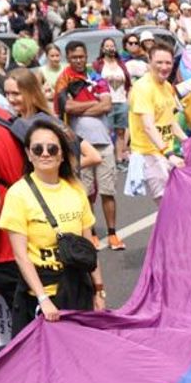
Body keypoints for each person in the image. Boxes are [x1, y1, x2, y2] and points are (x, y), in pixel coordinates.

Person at [0, 117, 101, 328]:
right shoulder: (18, 194)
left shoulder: (76, 189)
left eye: (52, 149)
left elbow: (88, 246)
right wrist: (43, 299)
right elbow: (21, 256)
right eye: (37, 149)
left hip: (79, 289)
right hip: (44, 297)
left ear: (62, 154)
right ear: (28, 153)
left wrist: (99, 289)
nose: (45, 153)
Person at [55, 40, 123, 251]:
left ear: (86, 56)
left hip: (103, 141)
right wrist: (94, 104)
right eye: (74, 57)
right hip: (79, 144)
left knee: (107, 190)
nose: (78, 60)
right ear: (68, 58)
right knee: (84, 192)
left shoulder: (96, 77)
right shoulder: (63, 80)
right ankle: (91, 233)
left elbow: (107, 104)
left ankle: (112, 233)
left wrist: (82, 107)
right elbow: (67, 106)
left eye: (81, 56)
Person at [125, 41, 181, 202]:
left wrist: (190, 141)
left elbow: (171, 121)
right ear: (149, 62)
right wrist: (168, 153)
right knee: (168, 206)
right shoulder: (142, 88)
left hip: (166, 153)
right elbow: (148, 126)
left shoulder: (168, 86)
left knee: (181, 203)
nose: (164, 67)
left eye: (168, 63)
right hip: (149, 154)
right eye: (159, 62)